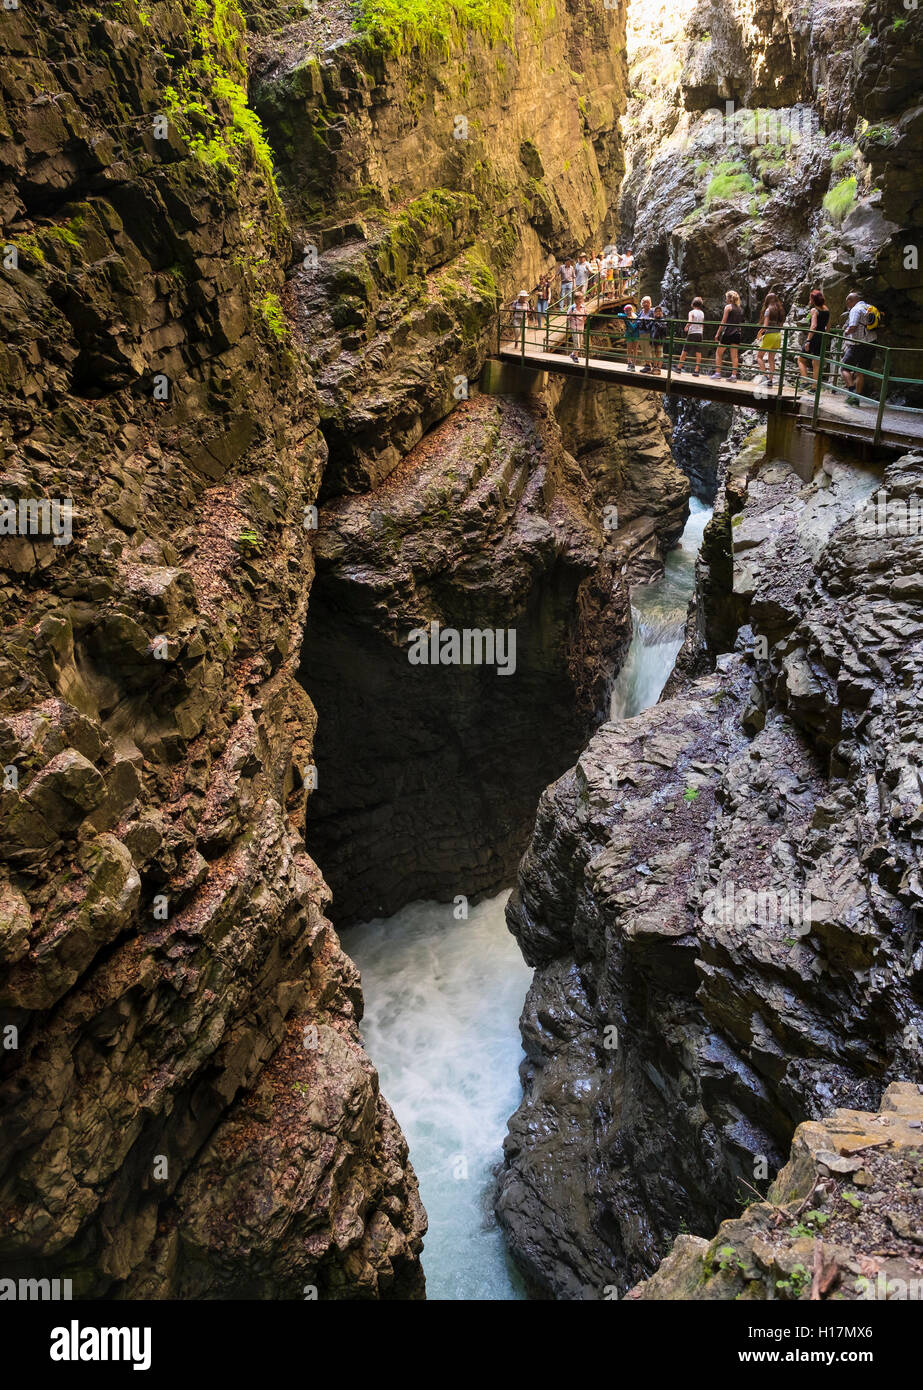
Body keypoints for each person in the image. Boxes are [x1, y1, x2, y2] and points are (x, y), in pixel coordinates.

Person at [840, 290, 877, 403]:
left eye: (848, 303)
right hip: (871, 343)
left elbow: (853, 327)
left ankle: (852, 393)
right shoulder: (869, 307)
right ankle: (857, 399)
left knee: (844, 368)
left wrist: (846, 332)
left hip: (858, 344)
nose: (848, 306)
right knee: (860, 372)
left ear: (851, 300)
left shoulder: (855, 309)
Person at [796, 289, 830, 384]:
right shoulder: (826, 309)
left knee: (801, 359)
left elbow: (813, 326)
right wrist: (825, 335)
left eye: (810, 299)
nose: (809, 301)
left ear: (814, 300)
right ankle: (814, 387)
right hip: (822, 337)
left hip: (814, 337)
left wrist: (808, 340)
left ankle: (805, 381)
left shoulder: (814, 310)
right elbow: (828, 325)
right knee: (816, 363)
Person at [711, 290, 745, 381]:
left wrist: (717, 334)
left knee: (718, 353)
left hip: (728, 333)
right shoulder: (739, 308)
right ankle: (734, 376)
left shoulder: (728, 307)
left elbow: (723, 321)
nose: (725, 299)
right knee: (734, 356)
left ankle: (718, 373)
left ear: (729, 298)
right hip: (737, 333)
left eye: (726, 297)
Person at [755, 291, 785, 385]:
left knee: (759, 357)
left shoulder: (768, 310)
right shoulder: (779, 311)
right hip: (778, 336)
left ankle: (765, 377)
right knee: (771, 359)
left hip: (770, 335)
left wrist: (759, 333)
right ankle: (770, 380)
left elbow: (765, 326)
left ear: (767, 301)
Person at [677, 296, 706, 374]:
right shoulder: (702, 313)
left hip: (692, 333)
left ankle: (679, 368)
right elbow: (702, 324)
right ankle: (696, 370)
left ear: (693, 304)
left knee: (685, 350)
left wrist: (686, 327)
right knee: (698, 352)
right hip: (699, 333)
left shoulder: (691, 312)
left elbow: (690, 321)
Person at [618, 301, 640, 370]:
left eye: (630, 310)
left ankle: (633, 364)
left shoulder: (636, 317)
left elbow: (633, 327)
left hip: (636, 334)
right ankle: (629, 363)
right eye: (627, 310)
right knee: (629, 349)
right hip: (629, 334)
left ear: (632, 310)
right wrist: (626, 317)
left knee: (635, 349)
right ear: (625, 311)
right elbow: (618, 314)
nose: (628, 311)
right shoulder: (625, 316)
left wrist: (627, 320)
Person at [636, 295, 654, 371]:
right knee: (643, 349)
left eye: (647, 302)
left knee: (647, 349)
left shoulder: (652, 311)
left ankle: (648, 365)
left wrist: (648, 320)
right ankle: (647, 364)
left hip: (648, 333)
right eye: (644, 302)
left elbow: (656, 319)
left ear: (650, 303)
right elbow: (637, 320)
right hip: (641, 332)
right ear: (642, 304)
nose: (646, 304)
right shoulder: (641, 312)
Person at [568, 292, 587, 362]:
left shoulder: (583, 307)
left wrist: (586, 316)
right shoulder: (572, 307)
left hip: (581, 327)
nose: (580, 300)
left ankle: (574, 355)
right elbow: (567, 317)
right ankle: (574, 356)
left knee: (580, 343)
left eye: (581, 299)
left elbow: (585, 317)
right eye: (579, 299)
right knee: (577, 344)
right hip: (574, 327)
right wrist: (572, 315)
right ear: (575, 300)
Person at [649, 304, 667, 374]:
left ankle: (658, 369)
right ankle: (654, 367)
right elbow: (649, 329)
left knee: (659, 354)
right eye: (656, 311)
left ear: (662, 313)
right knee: (654, 354)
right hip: (653, 339)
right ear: (654, 313)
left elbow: (662, 328)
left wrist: (654, 321)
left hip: (659, 340)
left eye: (659, 311)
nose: (658, 313)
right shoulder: (653, 321)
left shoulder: (663, 320)